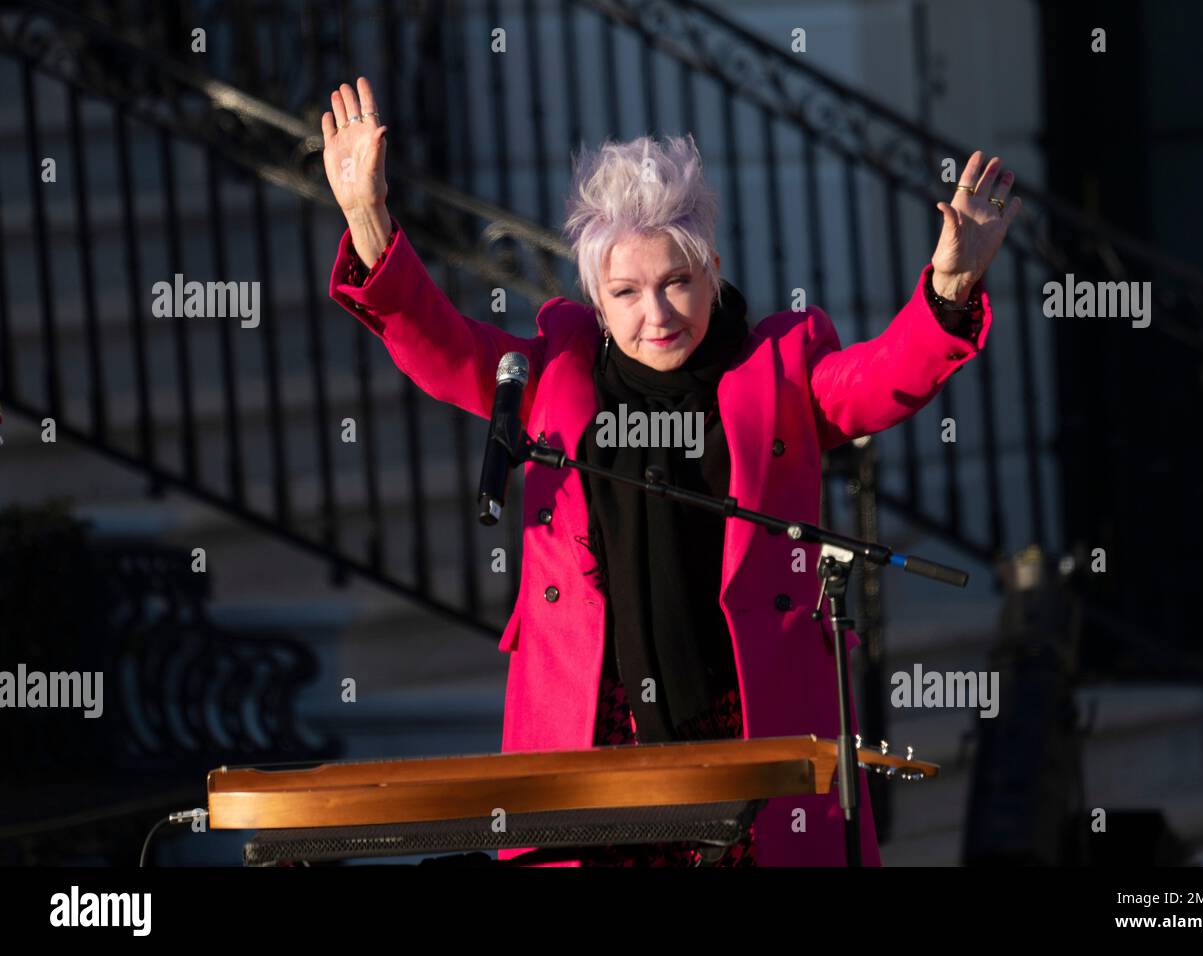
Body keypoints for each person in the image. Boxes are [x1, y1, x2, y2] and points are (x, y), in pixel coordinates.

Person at [320, 77, 1020, 866]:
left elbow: (873, 383)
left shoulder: (778, 368)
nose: (657, 313)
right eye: (626, 292)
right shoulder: (553, 376)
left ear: (712, 269)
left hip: (747, 715)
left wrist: (950, 288)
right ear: (596, 296)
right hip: (595, 722)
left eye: (677, 282)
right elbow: (441, 345)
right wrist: (366, 218)